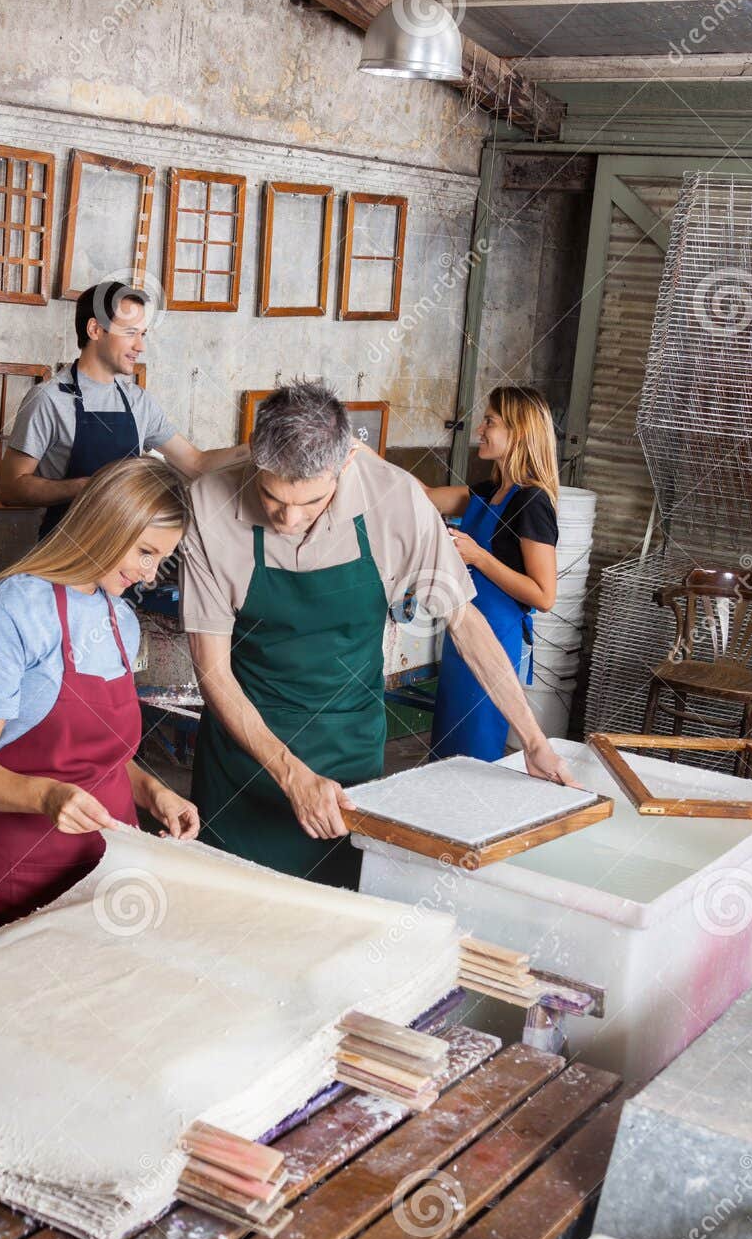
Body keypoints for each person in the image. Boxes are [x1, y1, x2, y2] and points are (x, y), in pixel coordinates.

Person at [179, 379, 572, 890]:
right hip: (244, 752)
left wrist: (533, 739)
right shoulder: (209, 506)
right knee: (225, 910)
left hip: (349, 753)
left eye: (311, 502)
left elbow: (466, 624)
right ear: (255, 458)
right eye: (273, 497)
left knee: (335, 915)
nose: (289, 519)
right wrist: (291, 774)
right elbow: (212, 670)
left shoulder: (397, 500)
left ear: (345, 464)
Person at [0, 458, 198, 945]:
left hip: (111, 867)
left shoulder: (121, 620)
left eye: (160, 559)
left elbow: (103, 760)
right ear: (108, 522)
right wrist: (46, 796)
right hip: (21, 870)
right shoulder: (9, 613)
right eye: (145, 552)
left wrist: (153, 793)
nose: (149, 575)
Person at [0, 282, 250, 539]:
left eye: (142, 334)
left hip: (125, 556)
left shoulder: (138, 401)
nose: (140, 346)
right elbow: (10, 489)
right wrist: (83, 487)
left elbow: (197, 464)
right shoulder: (49, 399)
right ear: (95, 329)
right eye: (130, 333)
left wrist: (255, 448)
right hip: (64, 555)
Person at [427, 386, 560, 762]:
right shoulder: (489, 491)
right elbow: (425, 494)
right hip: (462, 632)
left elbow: (544, 595)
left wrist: (480, 558)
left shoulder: (532, 502)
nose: (480, 430)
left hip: (496, 641)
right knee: (447, 754)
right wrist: (366, 459)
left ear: (517, 433)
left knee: (474, 754)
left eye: (490, 422)